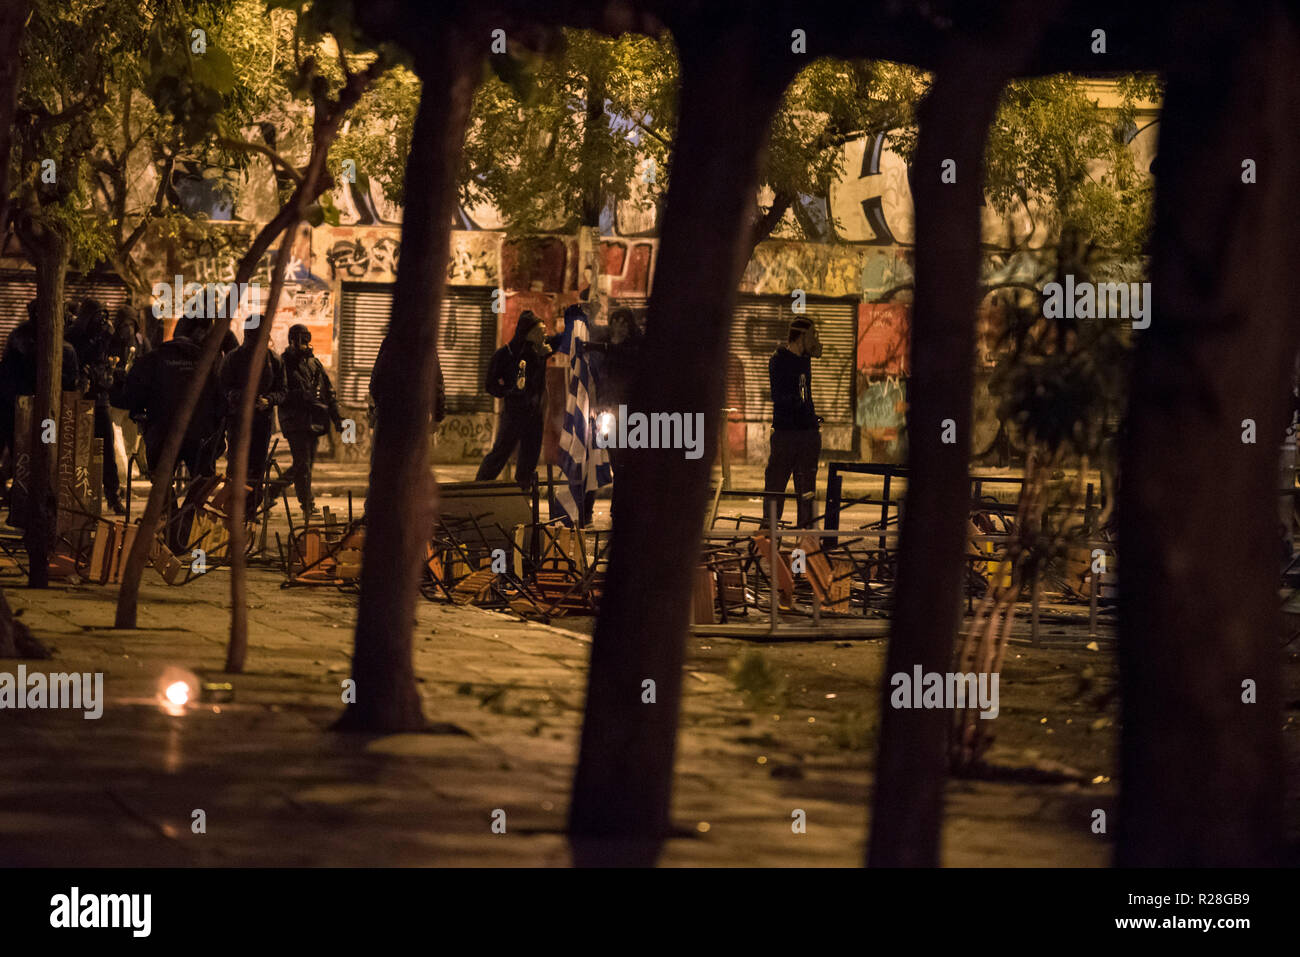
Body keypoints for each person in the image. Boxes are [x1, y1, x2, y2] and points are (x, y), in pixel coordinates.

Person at [119, 314, 223, 484]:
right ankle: (186, 510)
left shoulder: (154, 358)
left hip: (162, 433)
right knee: (203, 480)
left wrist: (139, 413)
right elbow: (222, 399)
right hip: (200, 436)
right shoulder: (211, 362)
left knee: (162, 482)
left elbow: (132, 394)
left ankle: (172, 510)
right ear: (199, 333)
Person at [476, 310, 557, 491]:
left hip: (534, 415)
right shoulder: (506, 354)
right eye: (540, 330)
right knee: (500, 454)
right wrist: (508, 391)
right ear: (529, 333)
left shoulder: (539, 352)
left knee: (529, 459)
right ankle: (478, 491)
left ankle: (523, 496)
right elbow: (491, 384)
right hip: (514, 413)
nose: (545, 334)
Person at [220, 322, 286, 512]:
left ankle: (249, 511)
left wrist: (269, 400)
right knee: (235, 466)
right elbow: (224, 389)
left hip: (261, 422)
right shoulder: (233, 359)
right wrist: (242, 397)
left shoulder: (274, 360)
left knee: (257, 469)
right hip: (238, 421)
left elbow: (283, 391)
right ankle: (231, 510)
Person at [67, 299, 125, 513]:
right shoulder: (75, 336)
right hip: (79, 400)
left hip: (100, 399)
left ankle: (112, 495)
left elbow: (106, 363)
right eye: (97, 316)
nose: (101, 321)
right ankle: (77, 495)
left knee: (107, 450)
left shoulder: (103, 337)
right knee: (77, 450)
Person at [764, 315, 823, 528]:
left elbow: (805, 392)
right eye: (813, 334)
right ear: (802, 336)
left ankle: (806, 538)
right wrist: (802, 409)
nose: (816, 339)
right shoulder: (779, 360)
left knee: (806, 491)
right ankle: (768, 535)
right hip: (786, 433)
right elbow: (780, 397)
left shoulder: (805, 360)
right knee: (775, 486)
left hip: (807, 434)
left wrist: (810, 418)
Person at [279, 324, 342, 522]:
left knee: (304, 466)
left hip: (313, 421)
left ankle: (271, 491)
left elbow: (329, 393)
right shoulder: (284, 363)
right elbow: (280, 393)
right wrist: (301, 395)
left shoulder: (314, 364)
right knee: (302, 465)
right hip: (294, 421)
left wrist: (338, 420)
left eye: (305, 338)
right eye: (298, 339)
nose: (302, 343)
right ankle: (306, 504)